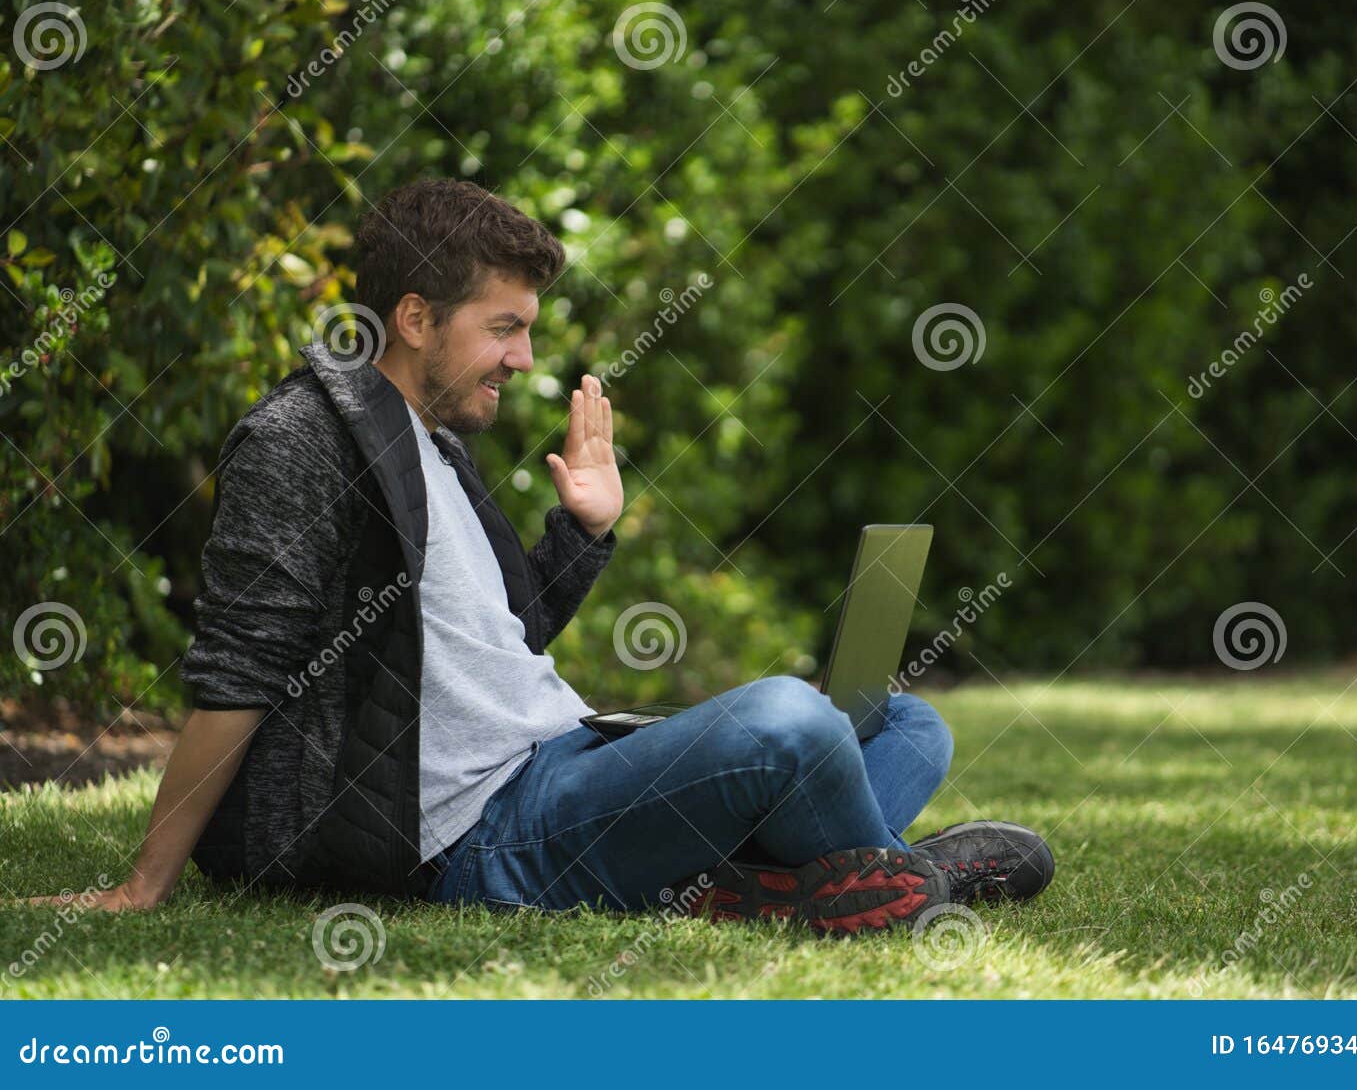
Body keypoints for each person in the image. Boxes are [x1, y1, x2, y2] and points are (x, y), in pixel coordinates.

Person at [29, 179, 1054, 934]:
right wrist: (146, 880)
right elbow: (241, 664)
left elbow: (501, 647)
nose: (523, 358)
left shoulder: (434, 442)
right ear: (416, 318)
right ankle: (883, 875)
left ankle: (794, 878)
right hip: (484, 834)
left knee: (907, 720)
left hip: (564, 755)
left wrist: (585, 533)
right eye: (504, 328)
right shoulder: (302, 440)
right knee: (789, 718)